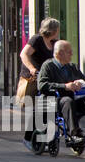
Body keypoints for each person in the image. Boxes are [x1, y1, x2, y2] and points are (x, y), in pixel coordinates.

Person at [38, 40, 85, 147]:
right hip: (55, 101)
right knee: (67, 101)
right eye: (69, 52)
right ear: (59, 53)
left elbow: (83, 81)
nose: (72, 54)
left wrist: (79, 83)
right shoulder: (48, 66)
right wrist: (65, 86)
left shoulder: (73, 67)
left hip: (74, 100)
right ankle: (74, 134)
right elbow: (42, 85)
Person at [19, 17, 60, 150]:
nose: (59, 31)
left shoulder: (55, 43)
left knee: (49, 108)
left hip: (47, 79)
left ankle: (44, 138)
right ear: (52, 30)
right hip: (34, 79)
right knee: (42, 107)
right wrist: (32, 69)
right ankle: (28, 138)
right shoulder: (37, 39)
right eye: (57, 29)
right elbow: (23, 54)